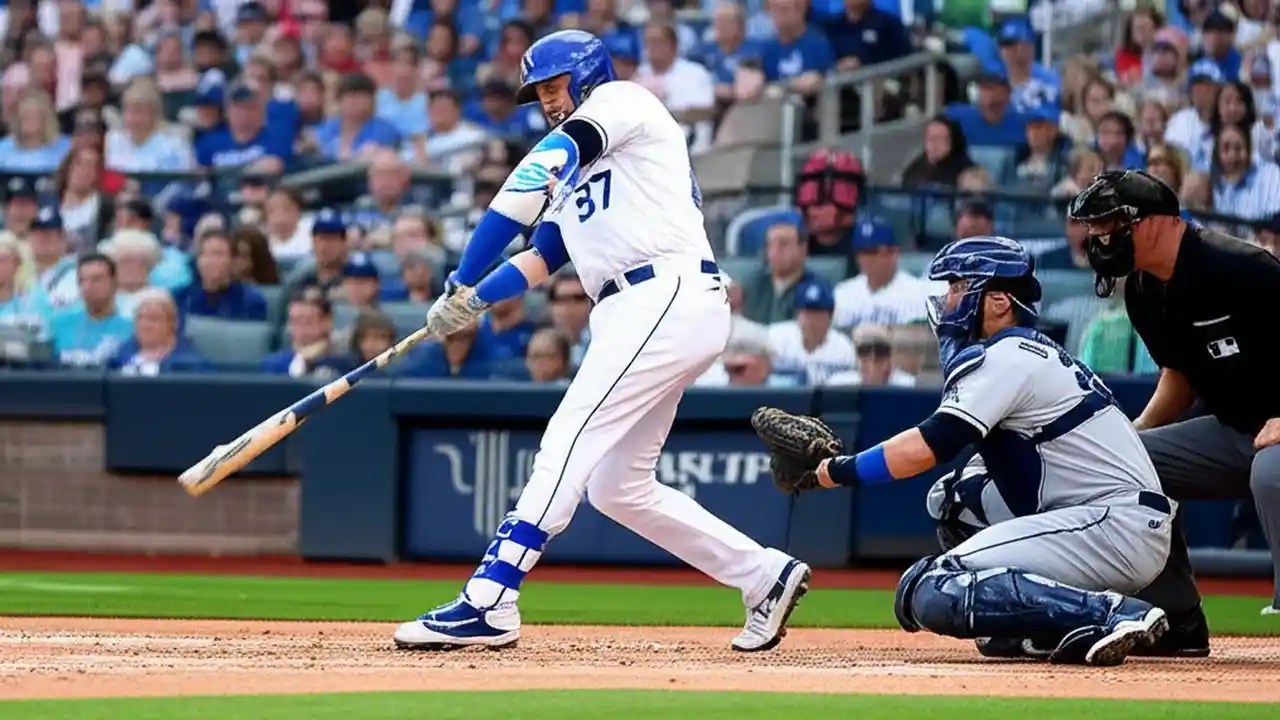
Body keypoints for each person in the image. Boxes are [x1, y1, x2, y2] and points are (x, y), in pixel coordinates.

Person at [393, 30, 809, 653]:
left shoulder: (623, 103)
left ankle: (491, 598)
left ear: (586, 76)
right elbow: (541, 257)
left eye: (555, 88)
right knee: (619, 487)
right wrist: (473, 300)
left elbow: (527, 182)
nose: (549, 103)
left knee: (569, 434)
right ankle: (762, 576)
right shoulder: (586, 173)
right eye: (540, 95)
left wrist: (462, 271)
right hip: (637, 308)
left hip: (663, 291)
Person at [752, 236, 1174, 667]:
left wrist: (829, 472)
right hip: (1107, 518)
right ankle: (1041, 628)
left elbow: (929, 445)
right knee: (955, 497)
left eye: (958, 287)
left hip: (1111, 525)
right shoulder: (1028, 352)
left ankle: (1110, 614)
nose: (949, 299)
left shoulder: (1009, 356)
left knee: (930, 587)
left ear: (997, 302)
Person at [1068, 169, 1280, 653]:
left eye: (1111, 224)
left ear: (1158, 222)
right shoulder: (1143, 291)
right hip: (1234, 431)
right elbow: (1179, 380)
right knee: (1124, 465)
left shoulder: (1240, 266)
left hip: (1276, 439)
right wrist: (1130, 434)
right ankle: (1175, 619)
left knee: (1272, 471)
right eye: (1095, 228)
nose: (1102, 237)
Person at [832, 217, 931, 330]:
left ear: (893, 253)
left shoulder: (918, 293)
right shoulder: (842, 294)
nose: (867, 259)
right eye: (862, 252)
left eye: (873, 252)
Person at [50, 254, 134, 368]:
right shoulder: (58, 324)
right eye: (82, 280)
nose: (88, 286)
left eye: (97, 279)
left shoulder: (132, 328)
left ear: (114, 283)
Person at [768, 281, 855, 386]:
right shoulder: (776, 338)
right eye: (807, 313)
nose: (812, 321)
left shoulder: (843, 347)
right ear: (797, 315)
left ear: (830, 317)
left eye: (818, 314)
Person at [109, 288, 211, 375]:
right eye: (140, 318)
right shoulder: (121, 353)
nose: (145, 325)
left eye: (153, 319)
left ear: (173, 323)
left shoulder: (190, 365)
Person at [173, 229, 268, 321]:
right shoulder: (180, 298)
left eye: (217, 254)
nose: (210, 261)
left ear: (232, 260)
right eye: (204, 254)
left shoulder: (251, 301)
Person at [261, 289, 351, 378]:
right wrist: (301, 359)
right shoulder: (274, 364)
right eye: (294, 321)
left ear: (327, 322)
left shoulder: (345, 362)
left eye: (306, 321)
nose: (299, 328)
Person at [740, 221, 814, 325]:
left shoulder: (815, 288)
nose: (774, 251)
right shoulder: (752, 285)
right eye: (770, 245)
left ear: (802, 250)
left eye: (783, 244)